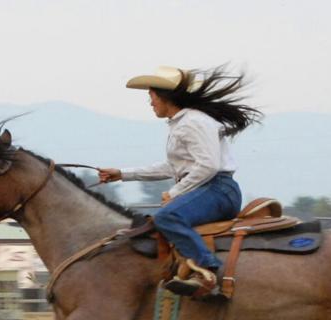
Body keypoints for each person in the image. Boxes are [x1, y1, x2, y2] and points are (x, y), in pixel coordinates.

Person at [98, 65, 262, 297]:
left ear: (165, 97)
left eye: (152, 97)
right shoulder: (184, 122)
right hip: (212, 189)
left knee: (167, 216)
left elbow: (209, 165)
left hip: (217, 190)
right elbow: (174, 166)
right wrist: (122, 174)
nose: (151, 103)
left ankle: (206, 270)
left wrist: (175, 192)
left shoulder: (193, 122)